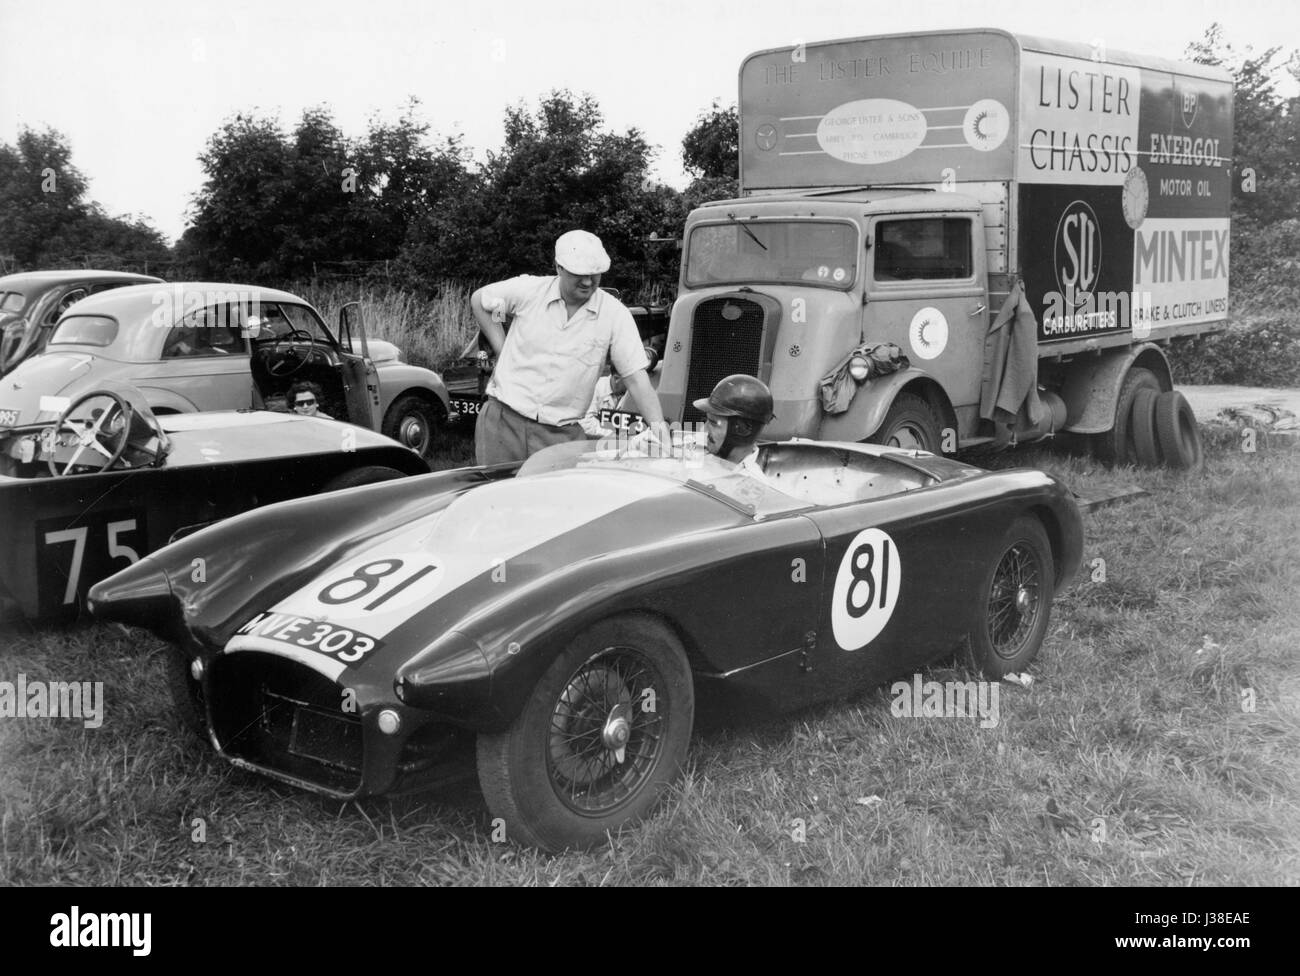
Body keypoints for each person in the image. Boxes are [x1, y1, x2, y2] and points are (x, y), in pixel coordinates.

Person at [470, 229, 667, 465]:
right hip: (502, 424)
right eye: (578, 274)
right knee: (495, 498)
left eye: (595, 274)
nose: (587, 282)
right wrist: (501, 348)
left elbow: (635, 377)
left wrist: (659, 428)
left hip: (560, 435)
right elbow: (482, 302)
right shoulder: (528, 291)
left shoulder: (615, 315)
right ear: (558, 268)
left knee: (556, 501)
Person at [693, 374, 775, 480]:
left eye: (713, 423)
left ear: (742, 429)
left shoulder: (754, 487)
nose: (703, 430)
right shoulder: (696, 457)